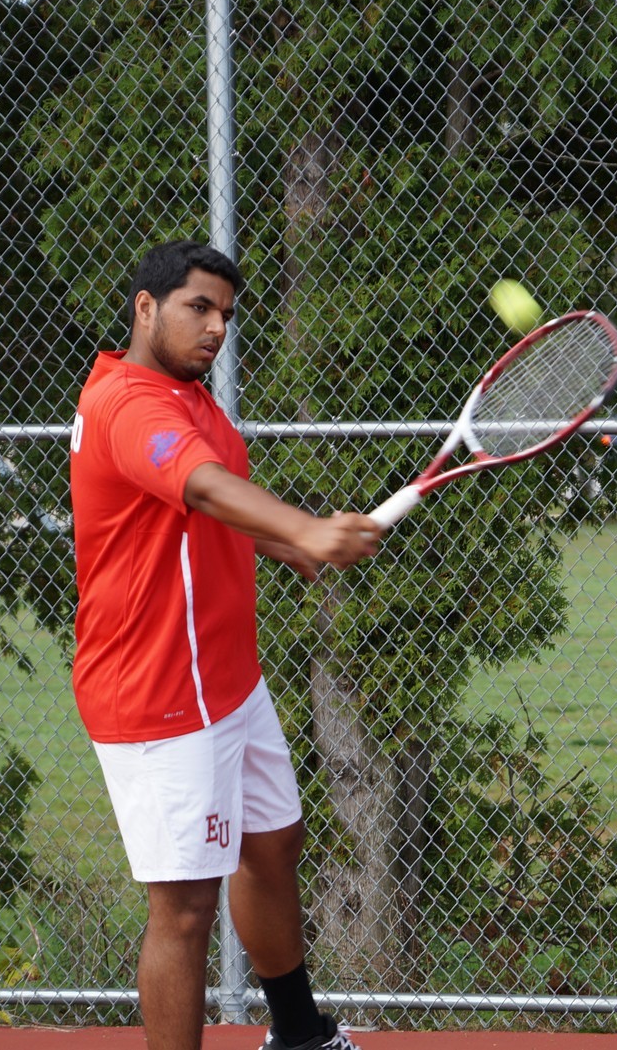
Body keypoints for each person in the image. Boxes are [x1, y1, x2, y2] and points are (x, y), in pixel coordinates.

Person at [69, 240, 381, 1050]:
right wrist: (307, 526)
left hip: (227, 683)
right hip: (157, 693)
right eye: (197, 308)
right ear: (146, 306)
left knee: (272, 847)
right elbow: (201, 485)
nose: (215, 328)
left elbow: (210, 510)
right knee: (183, 907)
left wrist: (292, 546)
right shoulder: (129, 404)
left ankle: (298, 1034)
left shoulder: (192, 398)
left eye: (226, 315)